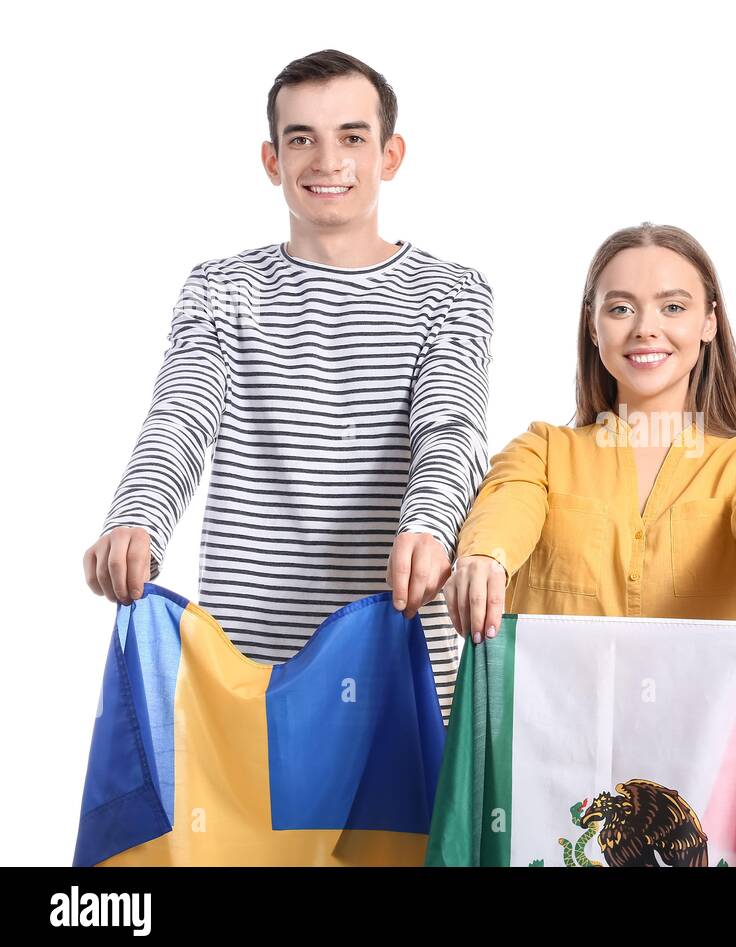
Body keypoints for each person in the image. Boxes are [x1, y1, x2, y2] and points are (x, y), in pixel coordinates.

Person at [83, 49, 494, 721]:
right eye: (301, 138)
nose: (326, 160)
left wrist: (430, 524)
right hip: (252, 669)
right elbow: (181, 415)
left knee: (409, 829)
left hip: (402, 650)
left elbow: (450, 428)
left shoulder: (451, 292)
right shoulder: (220, 289)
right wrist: (137, 517)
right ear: (273, 161)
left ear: (389, 156)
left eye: (351, 138)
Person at [443, 223, 736, 652]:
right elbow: (505, 507)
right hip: (554, 717)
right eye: (620, 309)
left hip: (705, 718)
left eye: (673, 307)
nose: (645, 329)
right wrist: (485, 556)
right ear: (593, 326)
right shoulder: (541, 453)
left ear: (709, 321)